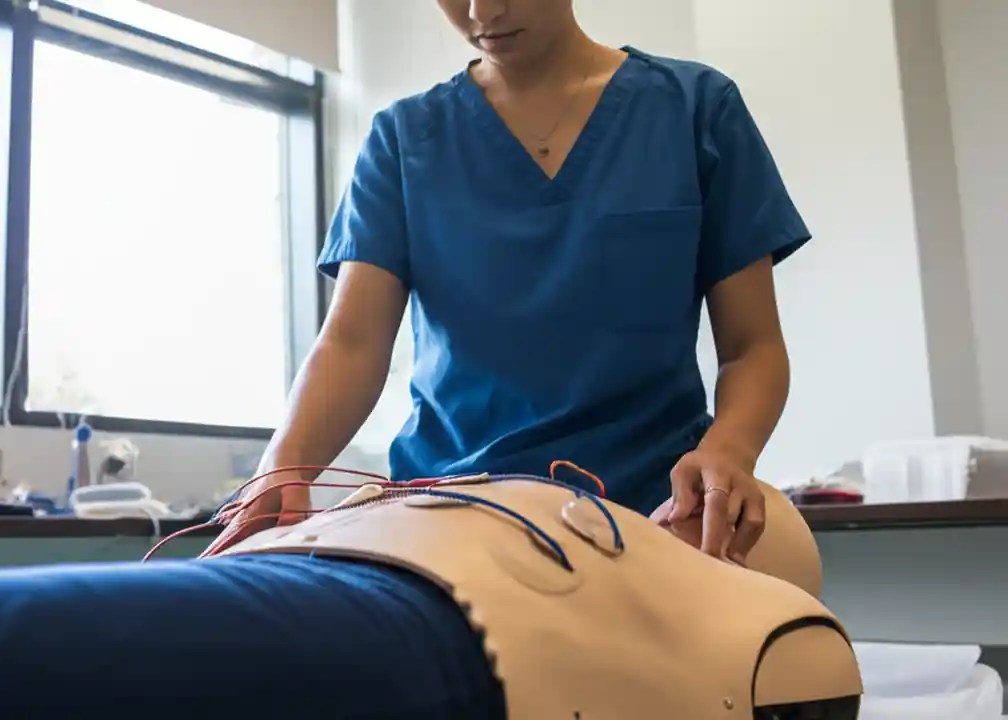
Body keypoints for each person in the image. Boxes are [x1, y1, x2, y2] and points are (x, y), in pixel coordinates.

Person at [229, 0, 808, 567]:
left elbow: (751, 347)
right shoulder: (404, 139)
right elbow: (351, 343)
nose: (484, 11)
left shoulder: (694, 110)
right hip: (447, 512)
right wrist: (283, 467)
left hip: (655, 508)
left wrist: (727, 453)